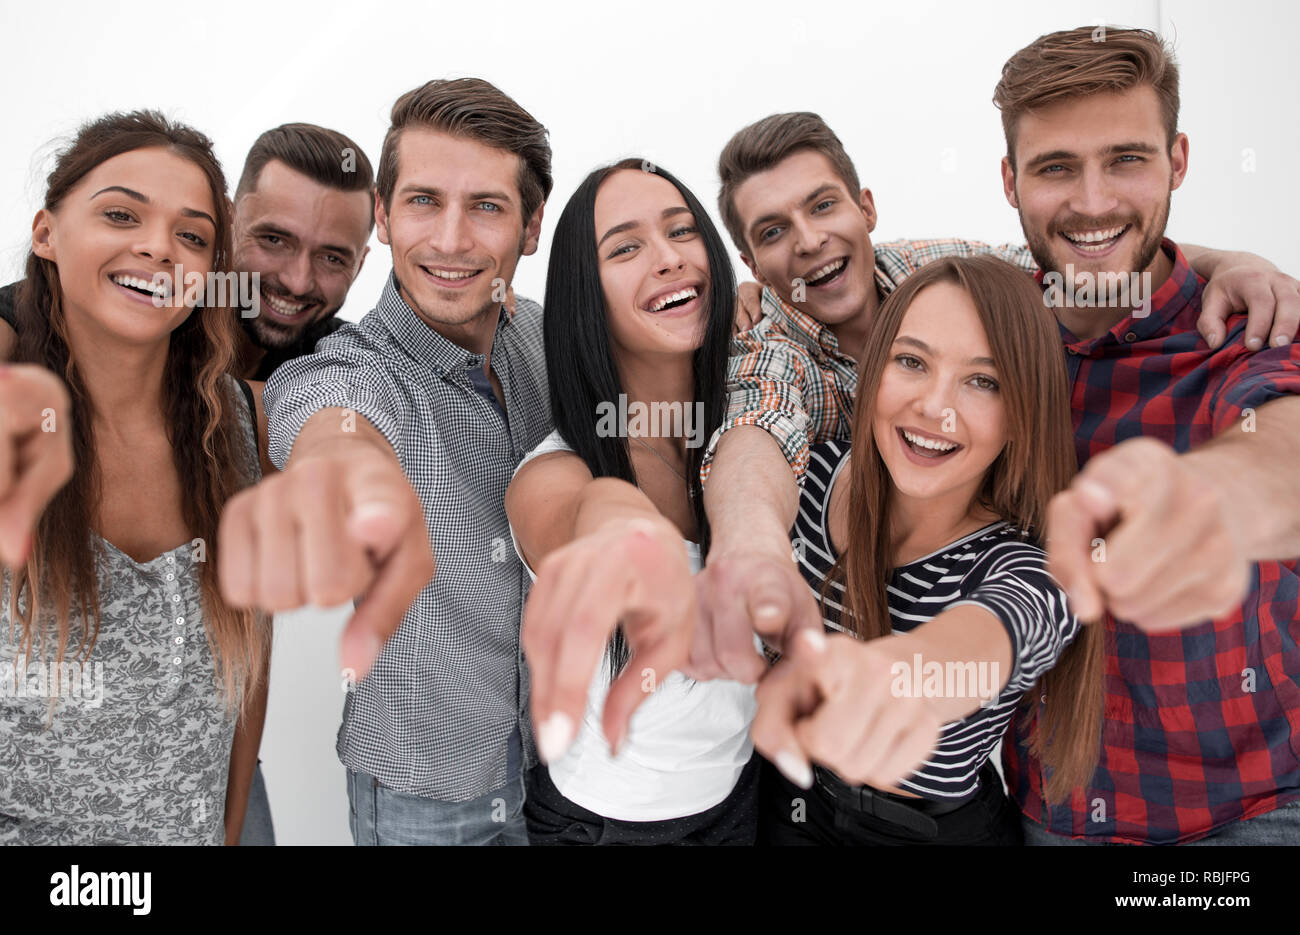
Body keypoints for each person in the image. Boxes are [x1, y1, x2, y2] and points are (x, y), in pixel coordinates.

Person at [0, 121, 377, 847]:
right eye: (121, 214)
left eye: (332, 257)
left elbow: (248, 654)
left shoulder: (277, 397)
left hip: (202, 799)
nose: (298, 281)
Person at [990, 26, 1300, 845]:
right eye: (1056, 167)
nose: (1093, 201)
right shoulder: (979, 330)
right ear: (1009, 182)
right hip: (1052, 813)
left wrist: (1203, 497)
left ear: (1179, 161)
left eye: (1126, 159)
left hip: (1259, 809)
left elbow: (1286, 451)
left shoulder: (1250, 325)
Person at [222, 77, 551, 845]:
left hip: (557, 766)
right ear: (385, 214)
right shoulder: (345, 371)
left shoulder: (541, 336)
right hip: (424, 793)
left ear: (532, 226)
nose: (449, 240)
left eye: (488, 207)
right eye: (424, 201)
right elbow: (330, 430)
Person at [752, 254, 1101, 844]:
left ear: (1022, 413)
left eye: (983, 381)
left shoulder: (1033, 567)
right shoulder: (807, 477)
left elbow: (988, 637)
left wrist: (895, 677)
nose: (936, 407)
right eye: (911, 362)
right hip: (786, 801)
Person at [507, 159, 758, 844]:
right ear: (585, 295)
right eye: (626, 246)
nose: (670, 258)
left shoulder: (749, 430)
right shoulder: (554, 472)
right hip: (608, 827)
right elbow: (584, 519)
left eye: (682, 232)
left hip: (744, 798)